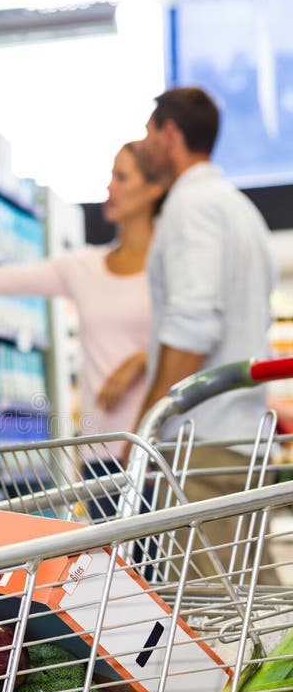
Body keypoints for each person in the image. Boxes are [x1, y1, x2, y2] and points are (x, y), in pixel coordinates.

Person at [0, 143, 165, 468]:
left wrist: (142, 359)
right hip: (101, 452)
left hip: (159, 448)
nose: (110, 187)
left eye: (121, 177)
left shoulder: (169, 267)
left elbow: (193, 342)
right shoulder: (83, 268)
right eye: (110, 176)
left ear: (153, 189)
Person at [136, 86, 279, 583]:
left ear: (170, 134)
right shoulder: (241, 210)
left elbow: (194, 328)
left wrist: (148, 426)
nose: (144, 142)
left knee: (205, 621)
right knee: (248, 613)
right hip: (242, 438)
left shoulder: (190, 206)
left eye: (149, 130)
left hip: (201, 445)